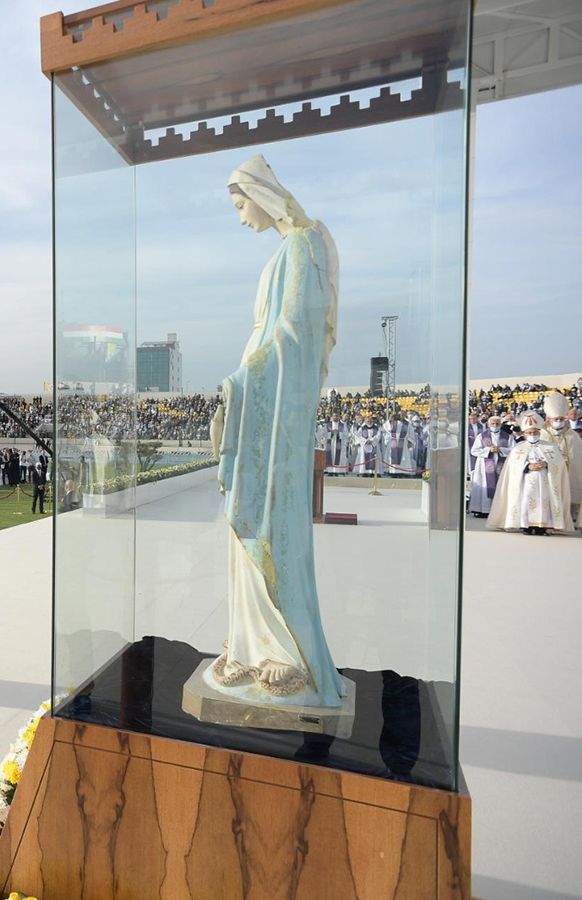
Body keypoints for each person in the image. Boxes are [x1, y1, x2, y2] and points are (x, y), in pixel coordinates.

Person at [212, 154, 344, 707]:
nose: (240, 217)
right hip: (257, 404)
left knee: (275, 523)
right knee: (245, 528)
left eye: (242, 204)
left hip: (275, 410)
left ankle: (287, 651)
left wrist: (244, 383)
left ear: (262, 195)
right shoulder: (283, 253)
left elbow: (294, 333)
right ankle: (247, 640)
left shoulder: (305, 244)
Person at [487, 410, 574, 535]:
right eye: (529, 433)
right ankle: (526, 525)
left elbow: (559, 464)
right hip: (526, 481)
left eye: (535, 432)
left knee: (543, 502)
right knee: (526, 500)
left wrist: (547, 464)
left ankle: (541, 527)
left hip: (545, 481)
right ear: (525, 434)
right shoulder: (519, 447)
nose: (532, 434)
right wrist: (528, 466)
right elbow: (513, 467)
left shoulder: (549, 446)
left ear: (539, 432)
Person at [542, 392, 582, 527]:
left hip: (568, 473)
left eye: (560, 419)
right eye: (555, 419)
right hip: (548, 473)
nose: (558, 422)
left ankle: (567, 520)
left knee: (567, 495)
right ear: (549, 419)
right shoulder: (542, 435)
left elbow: (578, 457)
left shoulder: (573, 436)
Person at [468, 415, 514, 517]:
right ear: (488, 425)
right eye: (492, 424)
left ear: (501, 424)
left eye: (497, 424)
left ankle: (498, 511)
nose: (495, 426)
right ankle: (481, 509)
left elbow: (514, 450)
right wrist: (488, 450)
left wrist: (501, 450)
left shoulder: (508, 437)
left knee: (499, 485)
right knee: (484, 486)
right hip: (484, 467)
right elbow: (474, 450)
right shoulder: (481, 436)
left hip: (501, 466)